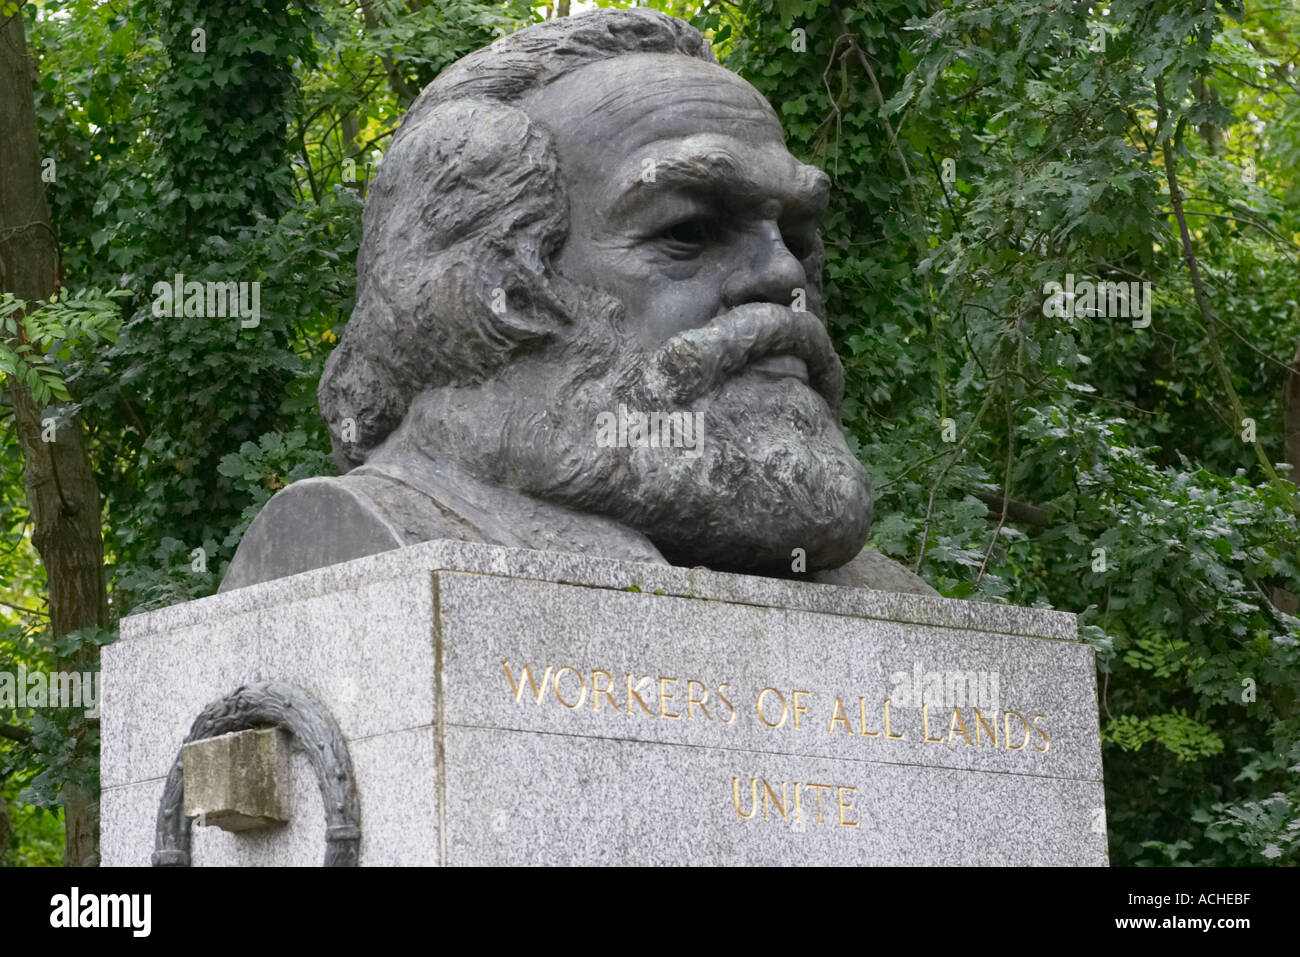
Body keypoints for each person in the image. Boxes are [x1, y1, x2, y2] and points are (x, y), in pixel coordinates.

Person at [221, 8, 933, 596]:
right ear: (495, 290)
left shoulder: (894, 605)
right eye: (689, 230)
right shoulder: (343, 551)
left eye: (798, 235)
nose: (784, 274)